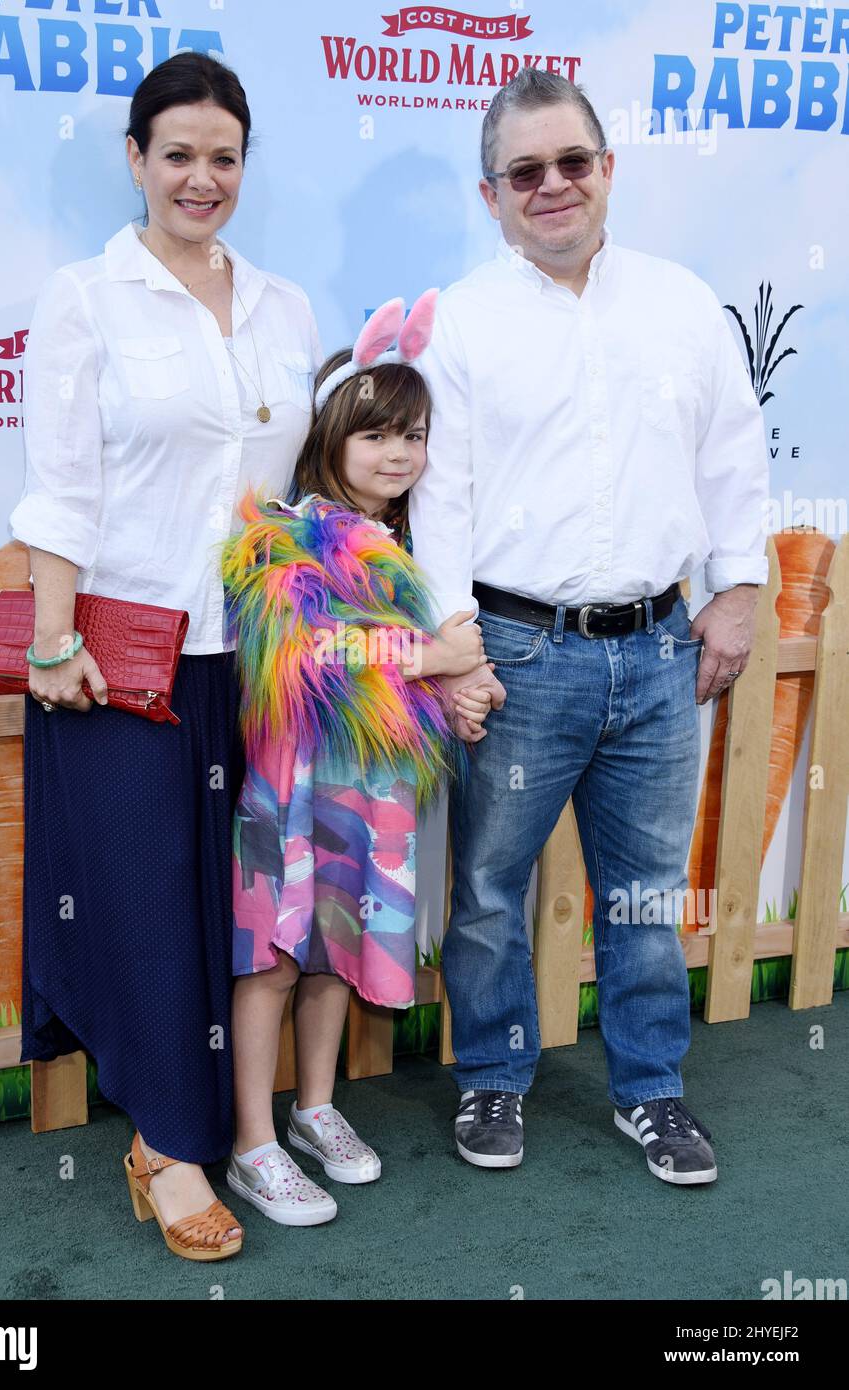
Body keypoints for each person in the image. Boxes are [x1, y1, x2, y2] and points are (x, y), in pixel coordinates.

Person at [408, 68, 769, 1184]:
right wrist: (456, 642)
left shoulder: (681, 303)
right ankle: (493, 1078)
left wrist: (741, 585)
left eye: (573, 162)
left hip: (662, 650)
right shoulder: (458, 324)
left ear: (609, 170)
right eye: (527, 171)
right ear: (491, 196)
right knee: (486, 893)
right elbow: (442, 496)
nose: (553, 185)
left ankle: (652, 1091)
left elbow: (732, 456)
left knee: (650, 892)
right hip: (517, 657)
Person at [9, 52, 321, 1260]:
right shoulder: (84, 300)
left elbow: (291, 485)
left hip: (257, 654)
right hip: (123, 657)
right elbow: (60, 491)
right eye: (178, 153)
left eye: (225, 157)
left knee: (231, 910)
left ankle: (229, 1126)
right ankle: (169, 1146)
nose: (203, 178)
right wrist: (48, 638)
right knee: (144, 902)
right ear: (134, 159)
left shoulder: (286, 305)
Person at [220, 296, 492, 1225]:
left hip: (370, 795)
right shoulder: (284, 536)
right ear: (331, 432)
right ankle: (252, 1141)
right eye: (375, 432)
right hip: (289, 789)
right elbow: (304, 660)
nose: (397, 453)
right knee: (271, 957)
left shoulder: (411, 553)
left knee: (335, 949)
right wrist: (432, 660)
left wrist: (457, 685)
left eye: (413, 434)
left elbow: (429, 660)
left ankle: (316, 1109)